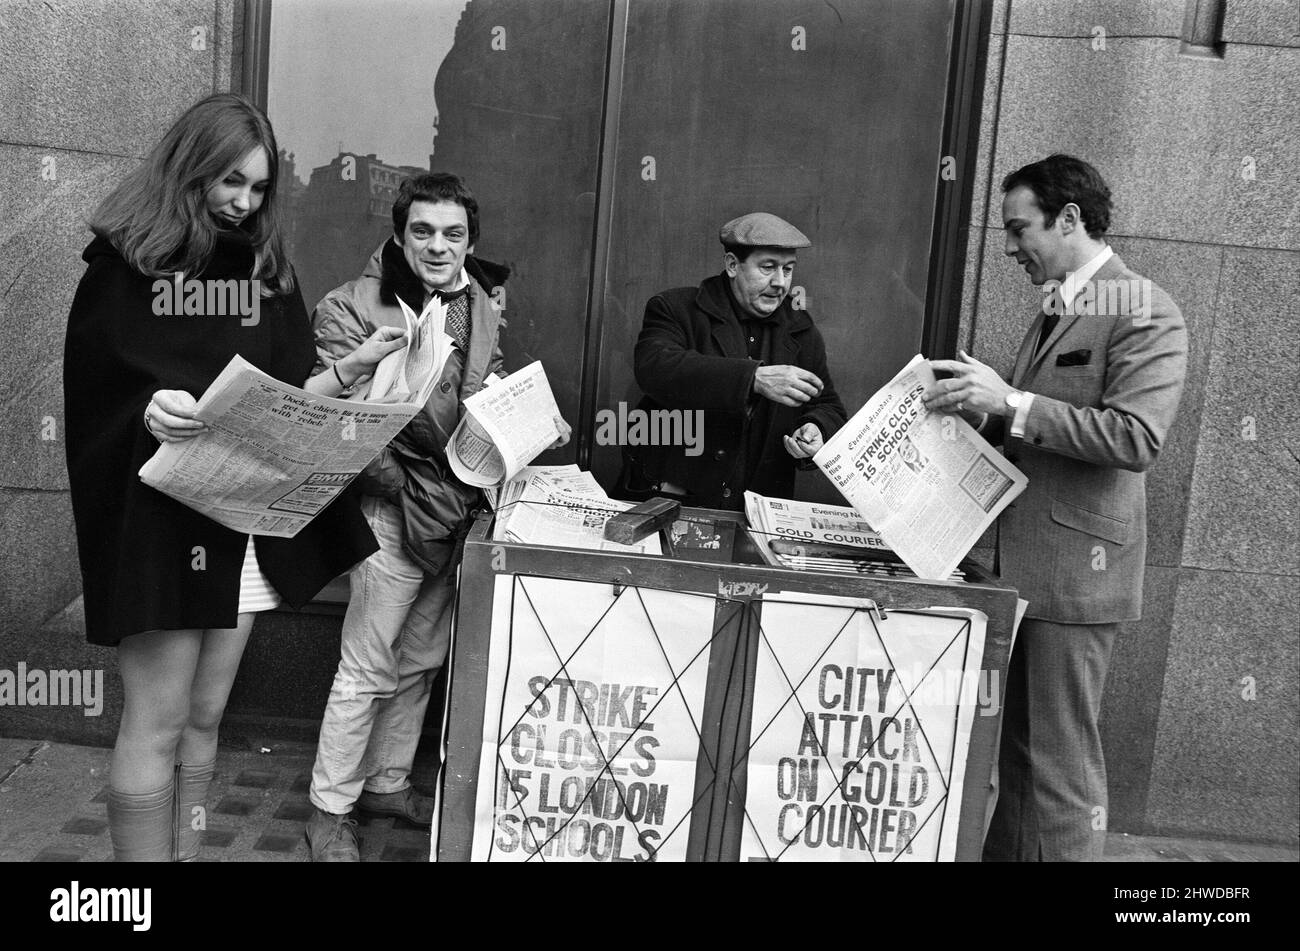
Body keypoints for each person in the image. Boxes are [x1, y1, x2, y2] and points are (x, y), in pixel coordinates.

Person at [63, 93, 404, 861]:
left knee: (207, 718)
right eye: (229, 183)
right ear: (190, 169)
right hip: (163, 528)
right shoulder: (125, 265)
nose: (244, 203)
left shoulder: (267, 271)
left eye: (257, 188)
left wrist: (347, 372)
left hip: (245, 530)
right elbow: (97, 398)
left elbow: (281, 399)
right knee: (153, 720)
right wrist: (149, 408)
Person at [924, 154, 1188, 861]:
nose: (1009, 247)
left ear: (1070, 218)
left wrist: (1007, 400)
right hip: (1025, 572)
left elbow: (1135, 437)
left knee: (1059, 773)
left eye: (1019, 228)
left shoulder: (1142, 306)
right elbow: (1035, 428)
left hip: (1074, 581)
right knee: (1022, 767)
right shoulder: (1061, 306)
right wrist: (973, 408)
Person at [304, 172, 570, 861]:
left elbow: (487, 388)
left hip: (454, 506)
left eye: (453, 233)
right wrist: (402, 493)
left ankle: (388, 781)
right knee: (366, 666)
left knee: (420, 659)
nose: (438, 245)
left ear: (469, 240)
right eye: (422, 230)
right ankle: (329, 807)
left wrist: (530, 421)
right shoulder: (347, 307)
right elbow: (340, 426)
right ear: (398, 235)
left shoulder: (477, 301)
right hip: (391, 506)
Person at [622, 212, 847, 511]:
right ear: (731, 265)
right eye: (768, 267)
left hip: (757, 510)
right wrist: (753, 378)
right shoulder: (675, 308)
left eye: (788, 269)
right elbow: (656, 369)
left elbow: (827, 405)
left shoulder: (800, 330)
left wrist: (815, 428)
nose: (780, 282)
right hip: (673, 500)